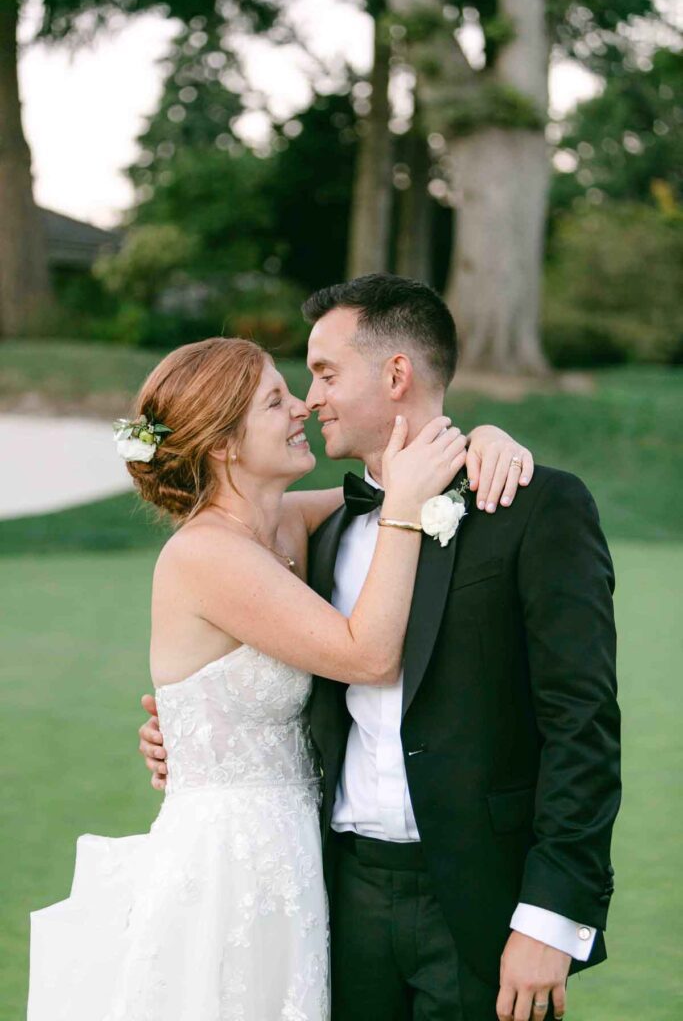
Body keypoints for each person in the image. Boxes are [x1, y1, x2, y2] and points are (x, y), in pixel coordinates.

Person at [142, 274, 620, 1021]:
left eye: (323, 373)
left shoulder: (530, 507)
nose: (308, 399)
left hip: (481, 904)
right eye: (290, 390)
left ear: (395, 373)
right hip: (333, 899)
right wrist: (186, 734)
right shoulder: (318, 536)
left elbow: (581, 724)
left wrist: (550, 918)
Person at [28, 329, 531, 1021]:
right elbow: (367, 655)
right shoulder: (203, 555)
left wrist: (484, 440)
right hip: (229, 863)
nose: (301, 407)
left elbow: (389, 486)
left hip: (302, 849)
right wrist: (409, 515)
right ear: (224, 443)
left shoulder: (289, 522)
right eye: (275, 400)